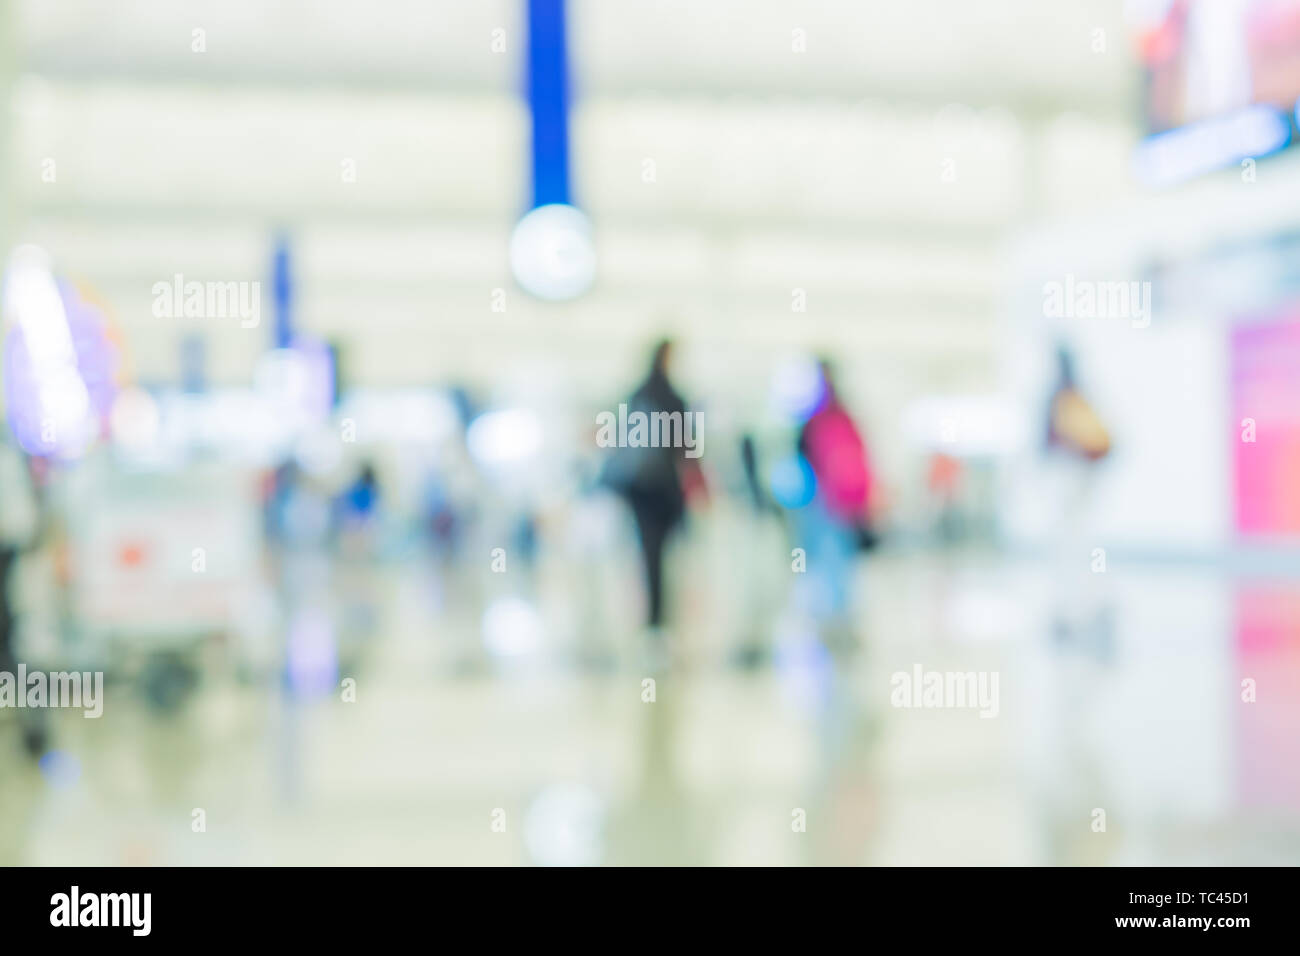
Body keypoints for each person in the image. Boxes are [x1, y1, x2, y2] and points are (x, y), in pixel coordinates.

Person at [602, 339, 704, 637]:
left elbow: (619, 442)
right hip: (664, 490)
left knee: (648, 555)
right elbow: (686, 445)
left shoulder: (636, 396)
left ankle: (653, 622)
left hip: (639, 490)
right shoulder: (672, 397)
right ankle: (660, 619)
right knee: (664, 555)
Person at [795, 359, 874, 647]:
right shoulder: (842, 414)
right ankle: (839, 617)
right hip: (840, 501)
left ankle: (833, 617)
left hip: (825, 500)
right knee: (839, 560)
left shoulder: (817, 417)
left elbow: (802, 454)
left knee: (829, 559)